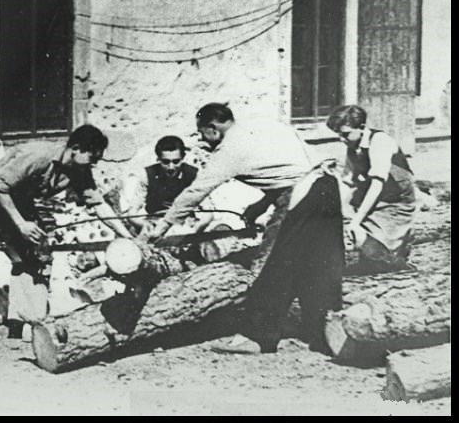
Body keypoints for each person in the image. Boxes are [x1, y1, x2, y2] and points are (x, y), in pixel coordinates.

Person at [148, 102, 344, 355]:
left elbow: (197, 190)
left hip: (302, 194)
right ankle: (322, 331)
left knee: (274, 264)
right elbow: (289, 169)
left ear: (213, 127)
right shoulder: (261, 124)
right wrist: (261, 206)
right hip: (328, 188)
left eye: (201, 132)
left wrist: (163, 225)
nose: (202, 139)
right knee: (319, 264)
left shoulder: (230, 148)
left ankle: (257, 336)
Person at [0, 124, 121, 342]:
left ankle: (25, 319)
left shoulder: (80, 171)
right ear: (76, 149)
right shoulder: (39, 156)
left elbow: (98, 204)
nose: (95, 163)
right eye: (92, 157)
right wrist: (21, 224)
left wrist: (126, 234)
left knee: (34, 255)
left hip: (19, 199)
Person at [326, 104, 417, 270]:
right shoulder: (353, 147)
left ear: (361, 127)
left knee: (368, 238)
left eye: (346, 134)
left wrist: (356, 220)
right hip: (373, 195)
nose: (342, 139)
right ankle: (379, 252)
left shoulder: (380, 141)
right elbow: (348, 181)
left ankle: (397, 250)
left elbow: (377, 184)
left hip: (397, 199)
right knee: (353, 231)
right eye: (338, 135)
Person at [117, 135, 199, 234]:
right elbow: (132, 213)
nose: (171, 167)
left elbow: (209, 214)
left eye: (176, 161)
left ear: (183, 158)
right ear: (158, 159)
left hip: (185, 223)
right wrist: (144, 225)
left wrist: (192, 231)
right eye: (165, 162)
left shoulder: (194, 174)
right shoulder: (147, 175)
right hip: (155, 221)